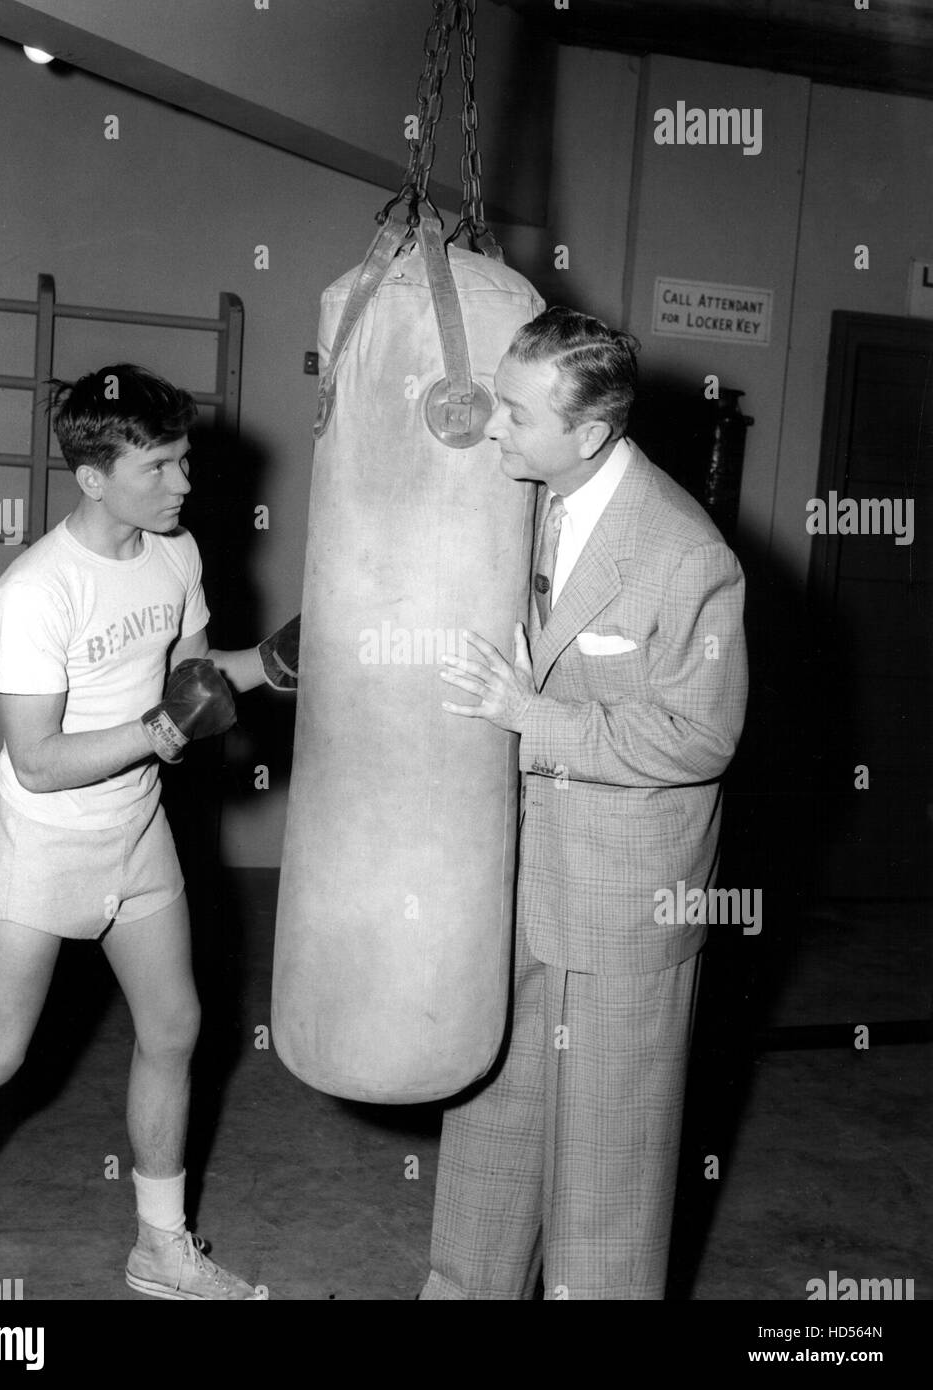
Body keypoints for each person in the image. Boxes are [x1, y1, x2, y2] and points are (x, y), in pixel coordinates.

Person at [0, 364, 298, 1301]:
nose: (184, 484)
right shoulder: (35, 590)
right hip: (46, 845)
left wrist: (274, 663)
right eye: (158, 467)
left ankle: (161, 1249)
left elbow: (194, 676)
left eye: (184, 462)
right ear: (94, 478)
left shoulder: (177, 552)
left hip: (138, 830)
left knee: (176, 1027)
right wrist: (161, 732)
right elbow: (36, 759)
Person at [420, 308, 748, 1300]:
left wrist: (528, 715)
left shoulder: (682, 554)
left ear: (589, 433)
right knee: (489, 1121)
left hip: (623, 903)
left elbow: (698, 736)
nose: (493, 430)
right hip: (519, 876)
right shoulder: (529, 495)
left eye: (515, 416)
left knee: (606, 1170)